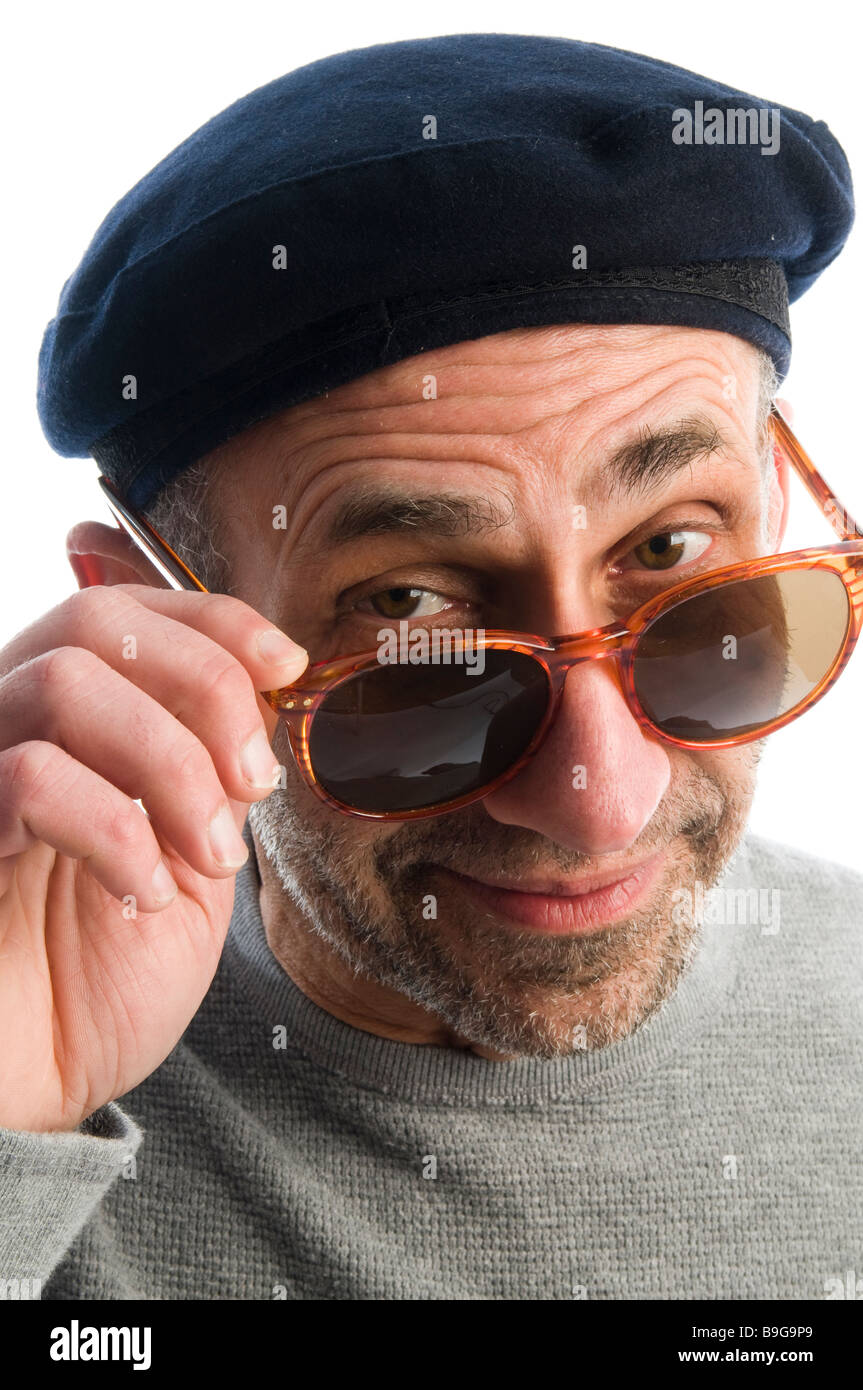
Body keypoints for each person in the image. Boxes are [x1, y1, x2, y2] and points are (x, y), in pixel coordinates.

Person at [1, 33, 860, 1301]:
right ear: (144, 619)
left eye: (671, 549)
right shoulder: (35, 1064)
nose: (597, 799)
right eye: (409, 611)